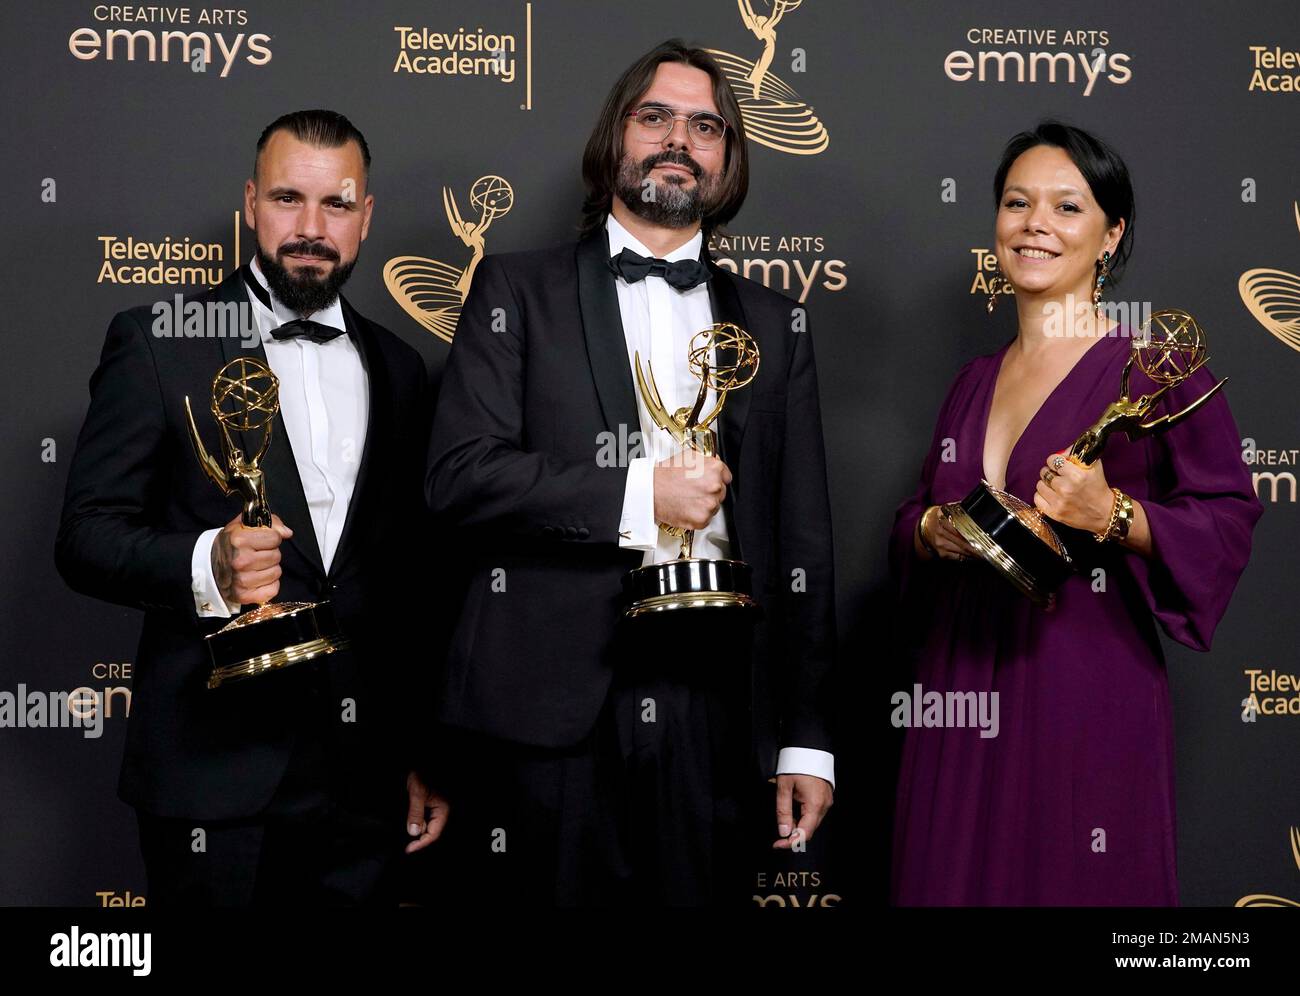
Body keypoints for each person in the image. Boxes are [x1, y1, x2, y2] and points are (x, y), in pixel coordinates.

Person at [423, 39, 836, 906]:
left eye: (705, 125)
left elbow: (803, 538)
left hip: (714, 708)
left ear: (729, 155)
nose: (677, 139)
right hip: (551, 705)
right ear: (616, 136)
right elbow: (461, 476)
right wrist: (639, 494)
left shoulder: (774, 321)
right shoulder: (513, 289)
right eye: (655, 117)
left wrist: (804, 739)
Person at [55, 109, 447, 906]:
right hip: (212, 781)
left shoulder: (402, 368)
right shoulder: (160, 341)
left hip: (362, 788)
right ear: (249, 204)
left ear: (366, 216)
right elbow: (85, 536)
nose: (311, 227)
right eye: (286, 200)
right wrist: (209, 563)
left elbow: (406, 584)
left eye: (336, 204)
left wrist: (415, 753)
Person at [888, 120, 1263, 905]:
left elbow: (1227, 519)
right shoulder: (971, 381)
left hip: (1083, 691)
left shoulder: (1159, 369)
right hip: (960, 687)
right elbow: (919, 514)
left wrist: (1114, 513)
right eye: (1018, 203)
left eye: (1067, 207)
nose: (1035, 225)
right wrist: (931, 533)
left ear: (1110, 234)